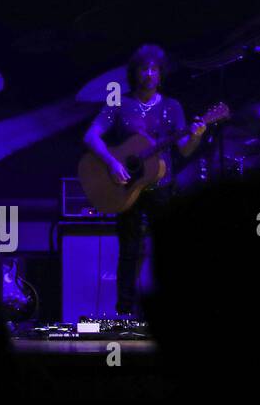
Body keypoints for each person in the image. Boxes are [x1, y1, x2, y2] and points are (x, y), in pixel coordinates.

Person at [82, 44, 206, 316]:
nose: (149, 74)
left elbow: (184, 148)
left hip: (162, 187)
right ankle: (124, 314)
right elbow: (91, 135)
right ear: (134, 73)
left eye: (154, 69)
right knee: (129, 250)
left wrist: (196, 134)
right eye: (143, 68)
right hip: (126, 189)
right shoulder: (119, 103)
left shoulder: (172, 106)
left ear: (161, 74)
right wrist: (112, 162)